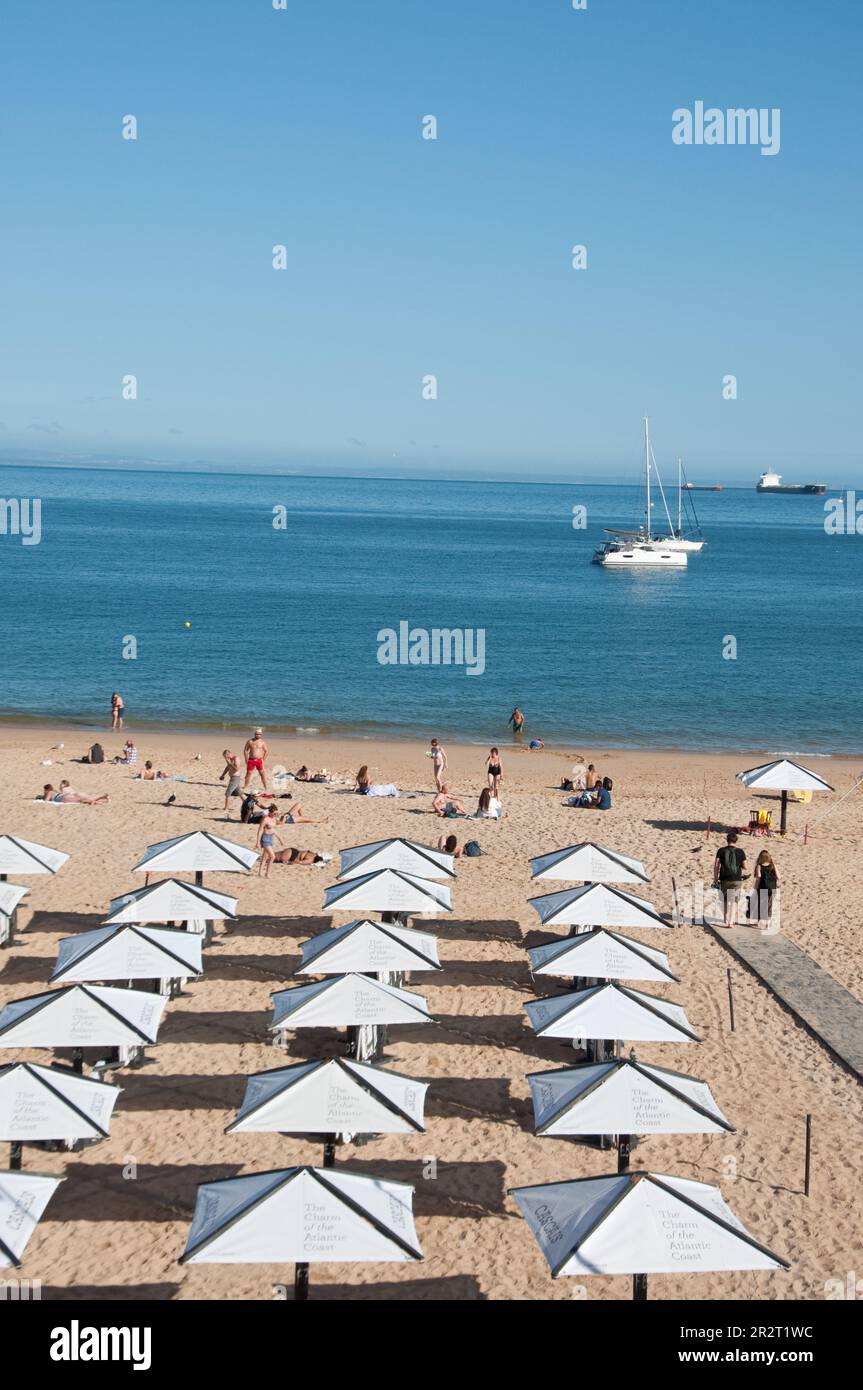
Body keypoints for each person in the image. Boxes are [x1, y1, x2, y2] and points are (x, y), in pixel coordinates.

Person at [714, 832, 748, 926]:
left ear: (727, 840)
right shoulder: (740, 851)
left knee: (725, 899)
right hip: (736, 879)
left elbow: (716, 865)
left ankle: (725, 918)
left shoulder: (721, 850)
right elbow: (745, 866)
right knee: (734, 900)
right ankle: (731, 921)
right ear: (736, 840)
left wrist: (716, 879)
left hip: (724, 878)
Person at [256, 806, 284, 877]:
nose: (275, 815)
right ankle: (267, 873)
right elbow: (259, 831)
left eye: (276, 813)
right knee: (272, 857)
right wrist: (257, 843)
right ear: (270, 812)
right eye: (274, 813)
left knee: (265, 856)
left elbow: (274, 830)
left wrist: (280, 839)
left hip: (271, 838)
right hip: (265, 839)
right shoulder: (265, 819)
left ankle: (260, 872)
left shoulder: (274, 819)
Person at [752, 850, 779, 921]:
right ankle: (768, 922)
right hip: (772, 888)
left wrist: (755, 888)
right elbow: (779, 876)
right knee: (769, 905)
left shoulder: (759, 866)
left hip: (762, 887)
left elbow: (758, 878)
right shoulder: (773, 865)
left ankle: (759, 920)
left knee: (760, 904)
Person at [41, 781, 109, 805]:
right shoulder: (54, 791)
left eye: (44, 790)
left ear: (46, 790)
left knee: (79, 800)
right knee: (82, 799)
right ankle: (102, 799)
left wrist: (42, 797)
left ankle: (98, 799)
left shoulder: (49, 792)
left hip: (62, 798)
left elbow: (45, 801)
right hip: (65, 795)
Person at [220, 750, 243, 817]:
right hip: (232, 778)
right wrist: (223, 775)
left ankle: (226, 808)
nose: (225, 758)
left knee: (228, 793)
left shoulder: (236, 759)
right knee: (240, 793)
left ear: (229, 754)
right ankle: (247, 804)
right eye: (224, 757)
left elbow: (237, 769)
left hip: (235, 778)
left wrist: (229, 762)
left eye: (225, 757)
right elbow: (228, 767)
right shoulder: (230, 760)